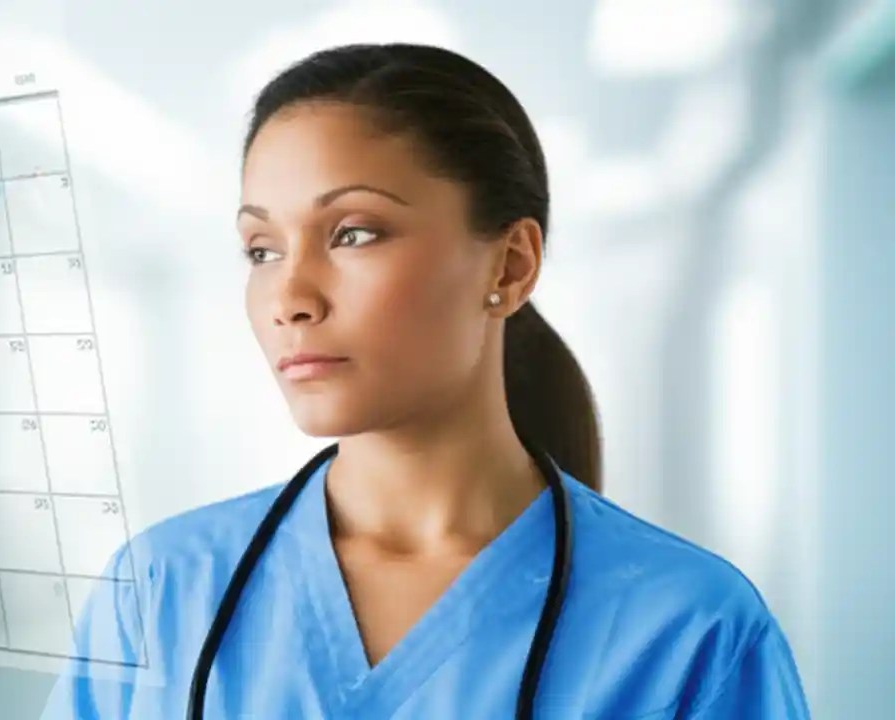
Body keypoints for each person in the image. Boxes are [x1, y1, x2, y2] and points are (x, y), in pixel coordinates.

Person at [40, 42, 810, 719]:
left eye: (354, 234)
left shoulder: (687, 629)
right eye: (261, 249)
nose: (290, 298)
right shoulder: (163, 589)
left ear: (510, 266)